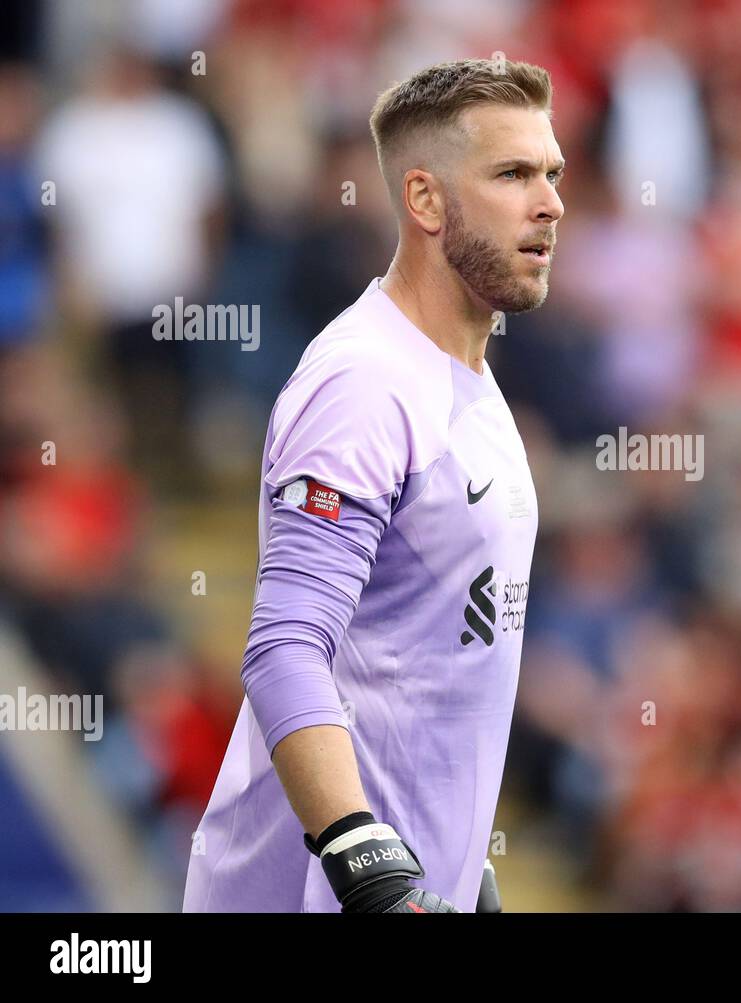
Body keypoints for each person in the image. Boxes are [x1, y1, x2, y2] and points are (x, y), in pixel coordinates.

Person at [183, 58, 564, 913]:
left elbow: (421, 657)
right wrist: (371, 864)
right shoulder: (363, 385)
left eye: (552, 172)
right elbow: (283, 651)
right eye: (512, 174)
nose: (550, 203)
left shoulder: (471, 377)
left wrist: (465, 864)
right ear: (425, 201)